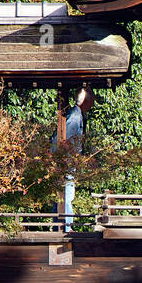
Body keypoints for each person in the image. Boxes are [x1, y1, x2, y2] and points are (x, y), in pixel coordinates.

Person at [56, 86, 94, 229]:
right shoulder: (75, 116)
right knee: (66, 195)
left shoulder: (77, 115)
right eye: (91, 98)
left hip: (68, 163)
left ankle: (65, 226)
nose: (93, 102)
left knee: (66, 195)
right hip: (66, 164)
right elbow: (65, 141)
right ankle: (66, 228)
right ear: (85, 100)